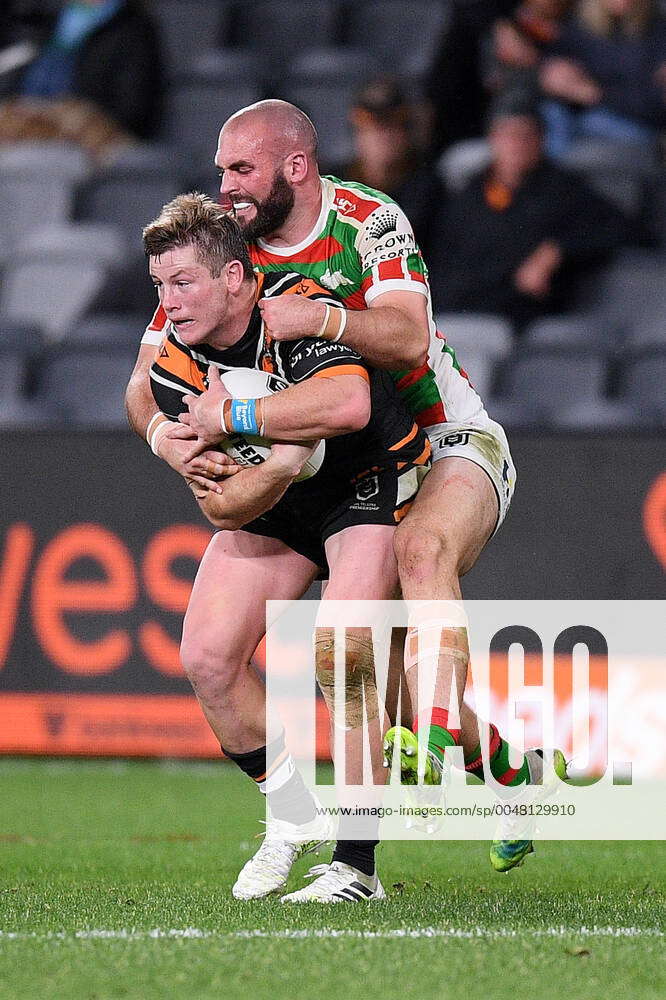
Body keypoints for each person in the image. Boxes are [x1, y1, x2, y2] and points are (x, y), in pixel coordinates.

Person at [126, 100, 565, 876]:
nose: (224, 186)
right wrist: (172, 440)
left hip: (438, 439)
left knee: (413, 569)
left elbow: (406, 336)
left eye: (240, 169)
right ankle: (501, 766)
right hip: (321, 458)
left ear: (294, 167)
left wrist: (318, 321)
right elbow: (147, 373)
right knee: (332, 680)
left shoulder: (366, 220)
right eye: (221, 169)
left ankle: (376, 828)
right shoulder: (231, 249)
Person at [141, 191, 432, 902]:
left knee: (345, 655)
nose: (168, 304)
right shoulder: (177, 364)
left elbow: (349, 404)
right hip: (286, 499)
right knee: (207, 657)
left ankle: (357, 867)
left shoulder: (292, 308)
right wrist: (268, 464)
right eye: (159, 286)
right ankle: (293, 814)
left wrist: (238, 416)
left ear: (236, 279)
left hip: (370, 476)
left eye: (182, 283)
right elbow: (222, 507)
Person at [428, 92, 630, 328]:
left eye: (527, 136)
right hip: (458, 312)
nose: (517, 145)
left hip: (523, 319)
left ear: (542, 140)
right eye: (508, 135)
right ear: (493, 139)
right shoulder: (470, 191)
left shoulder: (563, 190)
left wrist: (557, 249)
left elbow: (622, 228)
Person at [0, 0, 163, 157]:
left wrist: (71, 115)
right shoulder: (40, 15)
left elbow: (132, 110)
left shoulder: (132, 25)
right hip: (24, 123)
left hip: (84, 137)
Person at [333, 76, 444, 261]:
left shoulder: (428, 190)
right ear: (356, 135)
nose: (381, 136)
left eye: (391, 126)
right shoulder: (336, 185)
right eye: (371, 127)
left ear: (406, 133)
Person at [539, 0, 666, 157]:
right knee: (551, 114)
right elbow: (552, 69)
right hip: (577, 114)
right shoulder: (579, 25)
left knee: (569, 138)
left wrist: (597, 94)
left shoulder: (658, 30)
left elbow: (655, 103)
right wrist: (557, 76)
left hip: (635, 124)